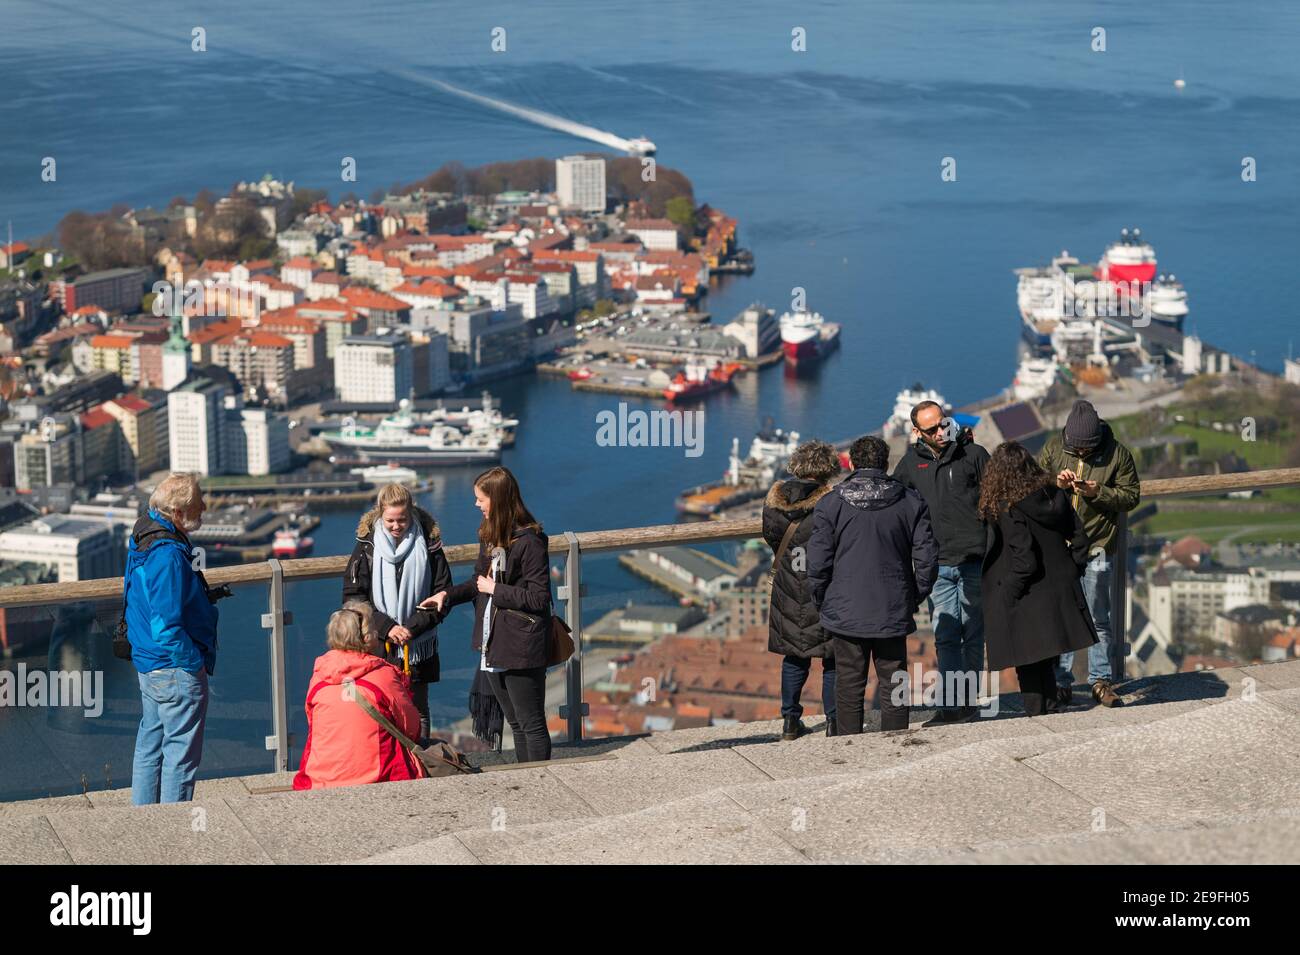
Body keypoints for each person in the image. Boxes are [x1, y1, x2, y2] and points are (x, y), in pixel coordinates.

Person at [808, 435, 938, 734]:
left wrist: (823, 599)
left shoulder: (830, 504)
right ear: (886, 464)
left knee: (849, 683)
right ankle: (894, 742)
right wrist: (914, 595)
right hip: (892, 605)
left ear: (852, 463)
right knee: (894, 682)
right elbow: (928, 558)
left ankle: (849, 745)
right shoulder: (910, 501)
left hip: (845, 608)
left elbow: (817, 563)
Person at [425, 466, 553, 763]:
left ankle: (543, 779)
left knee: (531, 723)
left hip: (521, 646)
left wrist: (496, 589)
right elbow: (476, 584)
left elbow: (539, 597)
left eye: (481, 499)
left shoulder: (531, 542)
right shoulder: (489, 536)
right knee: (516, 723)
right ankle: (529, 777)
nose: (477, 504)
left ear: (498, 499)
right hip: (493, 645)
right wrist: (445, 596)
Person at [979, 443, 1099, 716]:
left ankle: (1037, 719)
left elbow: (1025, 559)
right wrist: (1072, 569)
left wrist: (1007, 591)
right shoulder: (1054, 494)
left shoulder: (1008, 506)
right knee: (1046, 660)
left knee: (1028, 664)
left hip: (1026, 595)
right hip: (1058, 590)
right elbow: (1080, 538)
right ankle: (1050, 714)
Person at [893, 399, 990, 725]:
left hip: (974, 559)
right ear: (917, 431)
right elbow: (894, 507)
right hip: (936, 565)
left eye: (942, 423)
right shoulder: (909, 465)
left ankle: (970, 701)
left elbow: (996, 500)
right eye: (931, 428)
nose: (940, 431)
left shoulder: (973, 455)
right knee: (946, 635)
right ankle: (951, 705)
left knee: (974, 633)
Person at [1038, 399, 1141, 708]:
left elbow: (1131, 495)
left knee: (1098, 617)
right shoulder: (1055, 448)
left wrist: (1099, 493)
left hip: (1097, 544)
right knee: (1062, 615)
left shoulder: (1117, 453)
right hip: (1060, 545)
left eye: (1086, 450)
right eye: (1077, 449)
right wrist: (1056, 484)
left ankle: (1100, 680)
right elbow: (1033, 484)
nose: (1081, 453)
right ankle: (1061, 682)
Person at [125, 473, 219, 805]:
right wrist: (193, 663)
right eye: (197, 504)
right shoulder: (168, 555)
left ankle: (146, 824)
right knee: (180, 755)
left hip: (149, 662)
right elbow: (166, 625)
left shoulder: (143, 534)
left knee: (150, 744)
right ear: (178, 512)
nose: (204, 507)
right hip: (174, 668)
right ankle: (173, 834)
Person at [342, 482, 452, 741]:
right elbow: (352, 597)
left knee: (419, 709)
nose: (396, 526)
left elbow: (443, 593)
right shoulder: (367, 545)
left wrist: (411, 628)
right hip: (380, 644)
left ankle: (419, 763)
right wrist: (387, 627)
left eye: (402, 520)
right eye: (390, 520)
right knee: (382, 708)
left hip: (417, 642)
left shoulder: (428, 541)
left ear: (411, 513)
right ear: (380, 514)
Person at [293, 602, 426, 789]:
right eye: (372, 626)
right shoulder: (383, 675)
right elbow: (411, 728)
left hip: (320, 780)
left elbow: (313, 723)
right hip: (376, 777)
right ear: (366, 637)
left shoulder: (319, 674)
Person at [764, 439, 840, 740]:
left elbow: (771, 538)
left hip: (786, 585)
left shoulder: (773, 504)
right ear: (828, 470)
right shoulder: (832, 503)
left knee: (794, 656)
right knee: (831, 656)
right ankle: (835, 721)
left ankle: (790, 721)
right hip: (824, 586)